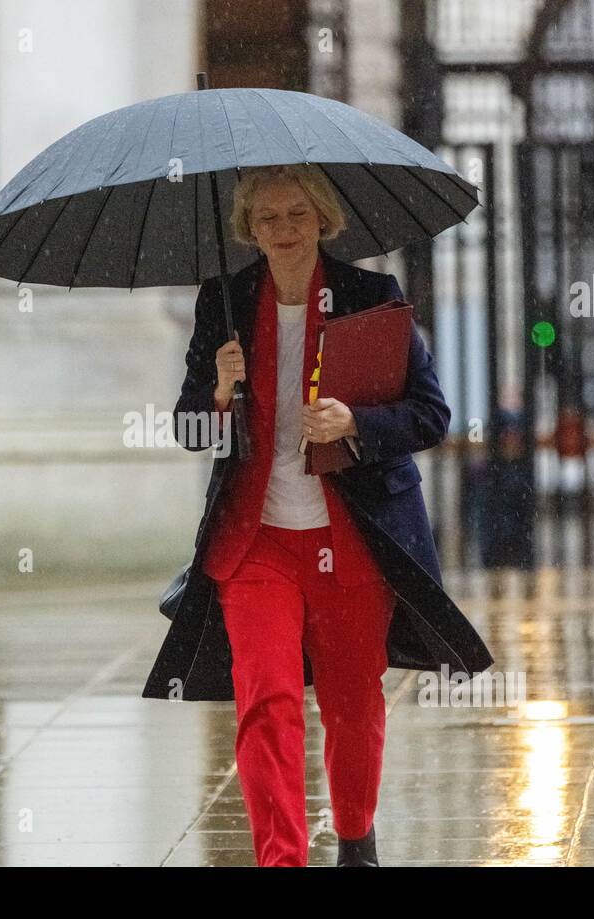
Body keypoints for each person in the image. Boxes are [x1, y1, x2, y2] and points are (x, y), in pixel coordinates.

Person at [142, 164, 494, 867]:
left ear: (324, 218)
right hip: (256, 543)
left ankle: (356, 836)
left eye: (297, 214)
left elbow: (431, 415)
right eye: (267, 218)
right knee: (265, 701)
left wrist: (354, 422)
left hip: (352, 539)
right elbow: (189, 430)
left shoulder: (371, 296)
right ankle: (282, 858)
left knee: (352, 705)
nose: (283, 230)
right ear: (248, 228)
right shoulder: (226, 302)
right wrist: (217, 392)